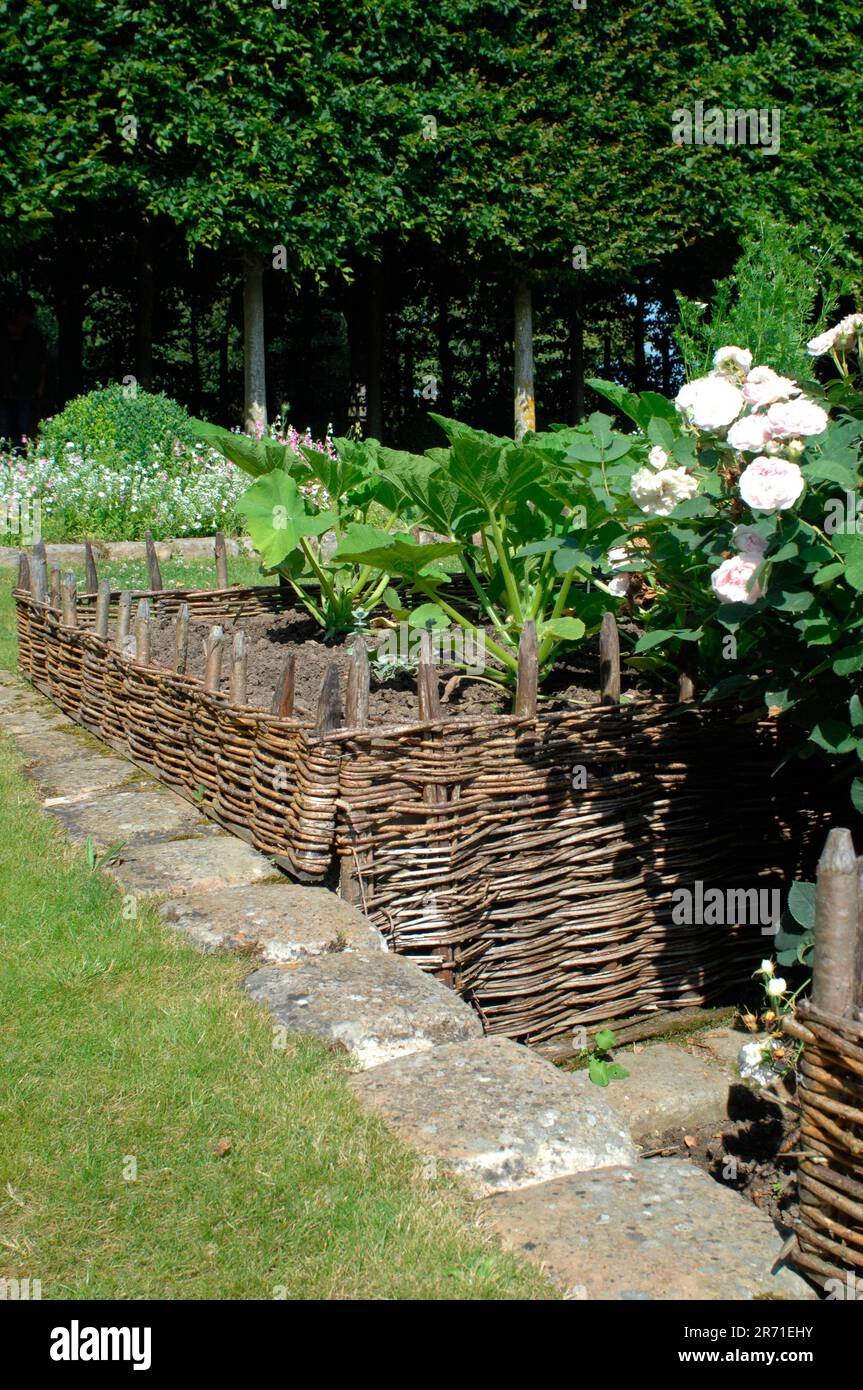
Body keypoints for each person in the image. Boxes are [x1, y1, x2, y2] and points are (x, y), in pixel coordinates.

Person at [0, 293, 47, 446]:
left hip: (25, 388)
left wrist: (40, 385)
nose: (25, 319)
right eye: (23, 314)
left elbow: (42, 362)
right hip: (3, 387)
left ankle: (20, 457)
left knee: (23, 428)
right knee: (3, 427)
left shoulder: (34, 336)